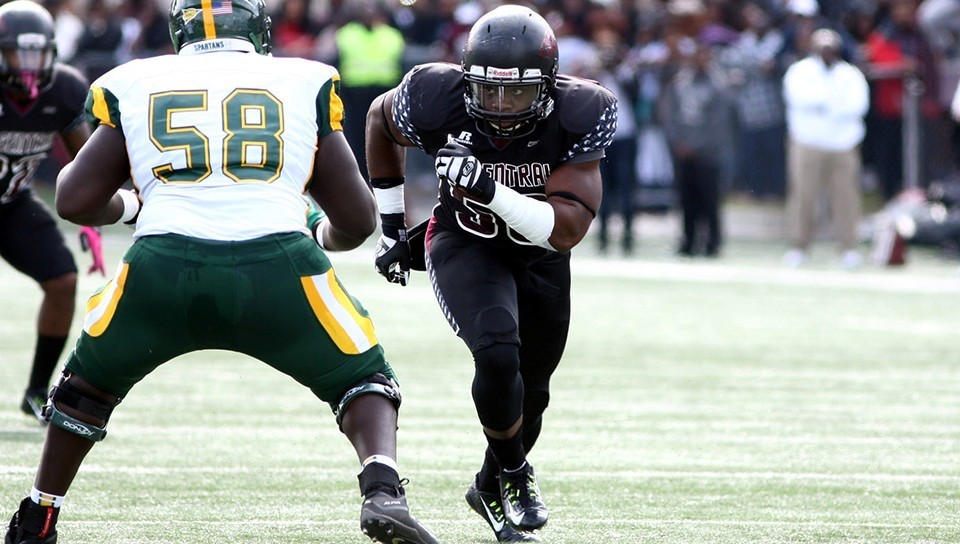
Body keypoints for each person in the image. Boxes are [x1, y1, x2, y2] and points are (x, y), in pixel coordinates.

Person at [3, 1, 439, 543]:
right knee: (363, 377)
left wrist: (135, 206)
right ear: (259, 27)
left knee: (82, 390)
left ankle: (41, 512)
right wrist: (316, 231)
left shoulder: (138, 79)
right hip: (278, 264)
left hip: (161, 268)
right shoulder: (302, 79)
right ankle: (382, 488)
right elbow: (355, 219)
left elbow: (74, 198)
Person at [365, 5, 616, 542]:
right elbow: (378, 122)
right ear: (466, 81)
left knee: (534, 391)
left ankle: (488, 486)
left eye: (518, 93)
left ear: (547, 87)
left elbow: (564, 231)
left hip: (540, 253)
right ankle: (515, 473)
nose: (500, 106)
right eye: (488, 91)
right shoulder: (433, 93)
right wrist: (390, 225)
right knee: (498, 350)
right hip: (464, 242)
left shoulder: (582, 109)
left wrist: (488, 189)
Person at [0, 0, 99, 424]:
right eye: (17, 53)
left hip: (12, 203)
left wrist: (94, 216)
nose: (27, 65)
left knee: (62, 281)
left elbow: (90, 163)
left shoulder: (64, 90)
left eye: (37, 53)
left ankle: (38, 390)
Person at [782, 28, 870, 269]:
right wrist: (830, 103)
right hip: (808, 142)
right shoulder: (800, 71)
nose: (827, 52)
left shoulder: (850, 75)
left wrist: (826, 105)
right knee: (803, 196)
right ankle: (799, 246)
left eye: (831, 47)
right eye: (822, 47)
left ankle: (848, 247)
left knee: (846, 197)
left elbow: (857, 105)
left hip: (843, 144)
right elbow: (801, 99)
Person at [659, 40, 733, 257]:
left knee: (710, 201)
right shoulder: (679, 83)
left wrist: (696, 146)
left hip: (708, 155)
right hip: (683, 154)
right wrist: (678, 143)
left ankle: (713, 243)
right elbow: (669, 115)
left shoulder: (719, 85)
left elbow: (719, 124)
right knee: (686, 200)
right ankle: (688, 242)